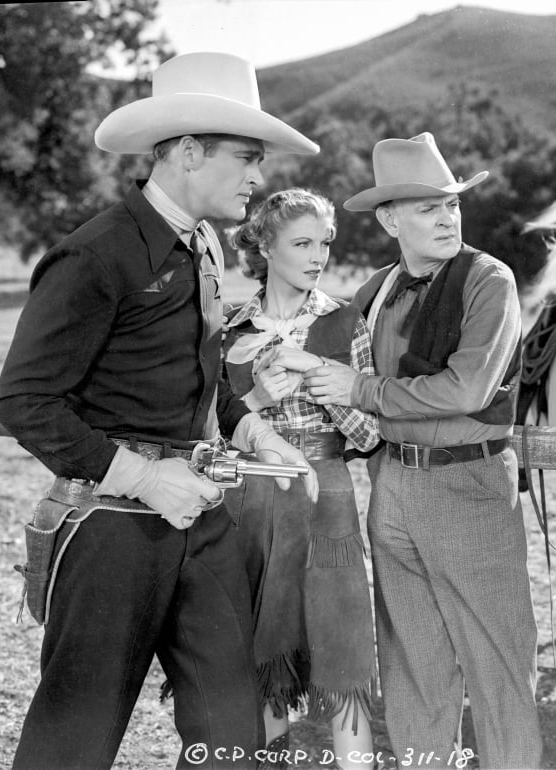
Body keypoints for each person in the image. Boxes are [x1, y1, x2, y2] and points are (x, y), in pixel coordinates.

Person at [0, 52, 321, 770]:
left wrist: (254, 429)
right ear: (190, 152)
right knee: (70, 748)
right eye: (246, 158)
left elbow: (204, 380)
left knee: (233, 735)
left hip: (202, 525)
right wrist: (143, 477)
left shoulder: (204, 246)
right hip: (110, 528)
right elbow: (24, 401)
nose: (258, 177)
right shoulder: (95, 255)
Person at [304, 132, 544, 768]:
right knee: (411, 664)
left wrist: (360, 387)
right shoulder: (377, 289)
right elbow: (316, 335)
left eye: (452, 205)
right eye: (428, 208)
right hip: (392, 485)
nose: (447, 218)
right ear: (389, 220)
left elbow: (467, 387)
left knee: (498, 666)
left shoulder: (487, 280)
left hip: (469, 484)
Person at [222, 188, 380, 770]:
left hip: (328, 499)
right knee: (266, 658)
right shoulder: (227, 330)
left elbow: (368, 437)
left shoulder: (345, 322)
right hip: (251, 504)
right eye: (302, 243)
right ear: (265, 246)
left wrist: (319, 378)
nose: (318, 256)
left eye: (325, 243)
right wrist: (258, 397)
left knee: (343, 660)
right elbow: (208, 437)